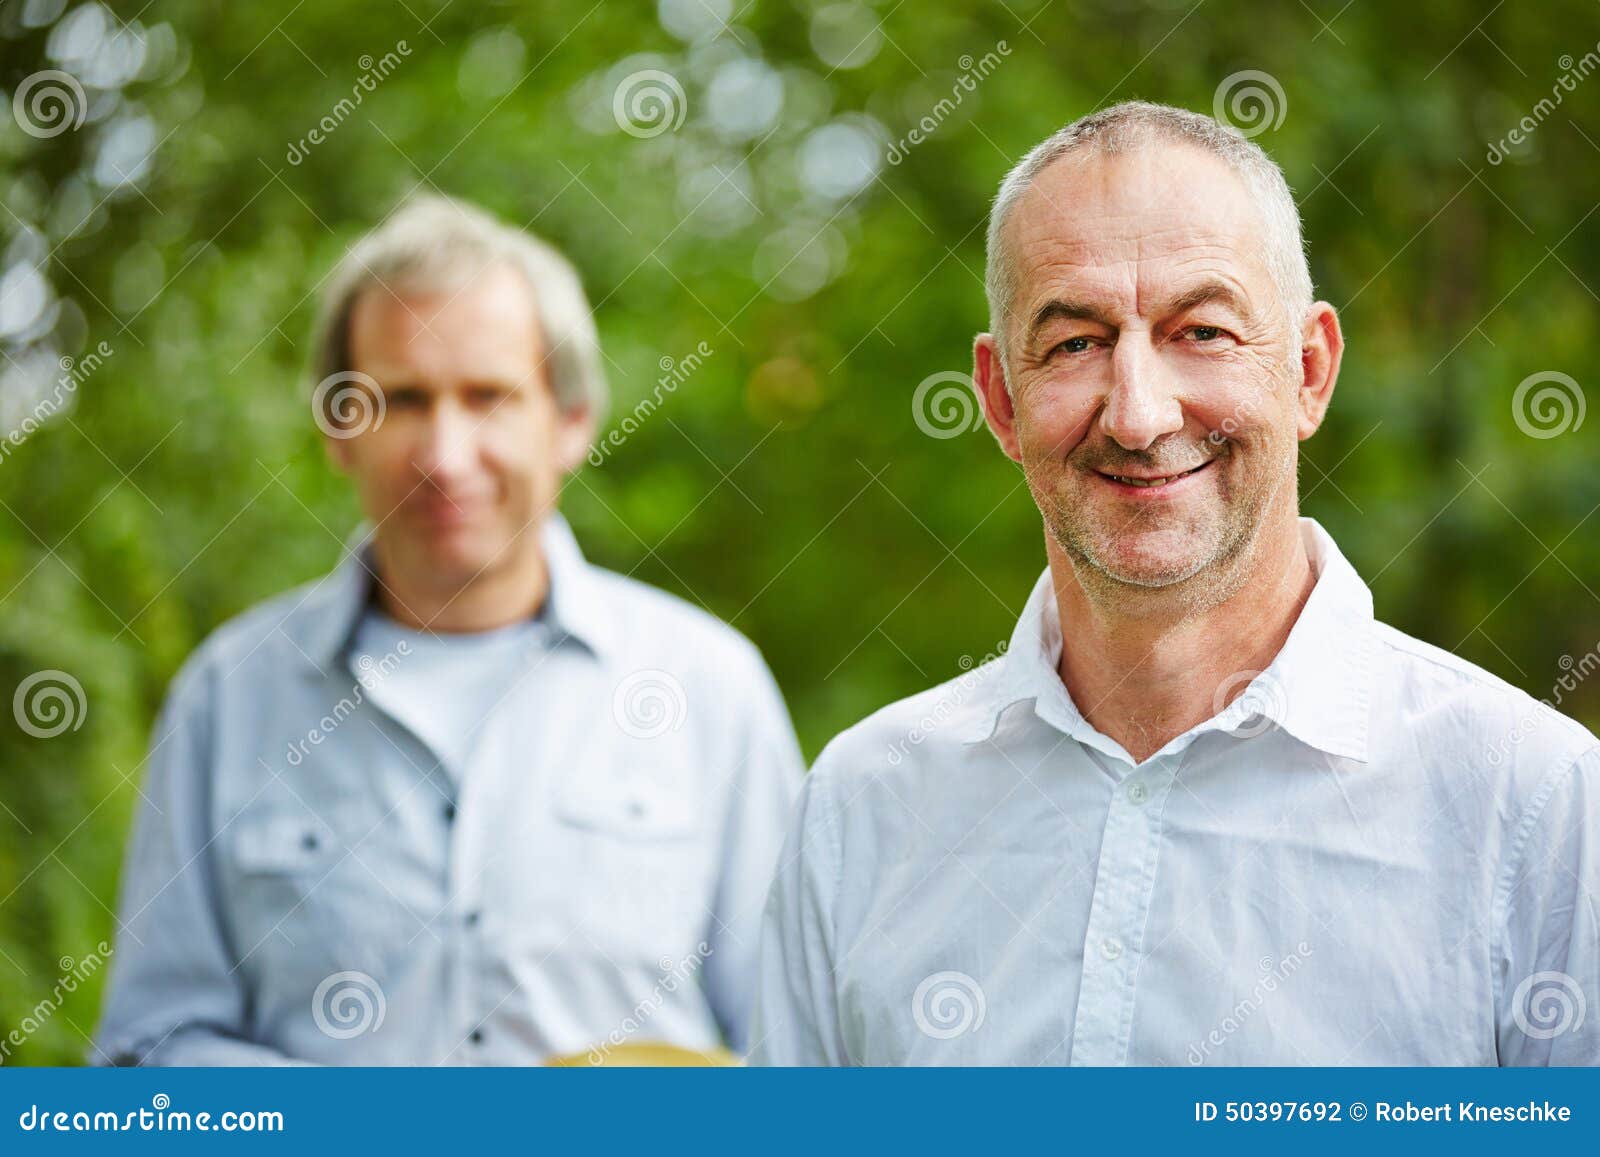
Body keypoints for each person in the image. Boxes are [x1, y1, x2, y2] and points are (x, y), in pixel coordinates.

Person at [750, 101, 1598, 1066]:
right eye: (1075, 342)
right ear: (998, 399)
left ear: (1310, 372)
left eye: (1202, 330)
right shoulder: (864, 808)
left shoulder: (1533, 807)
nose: (1140, 412)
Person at [95, 195, 803, 1065]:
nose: (446, 455)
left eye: (489, 395)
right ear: (339, 430)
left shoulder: (709, 687)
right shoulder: (229, 695)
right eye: (402, 399)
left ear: (571, 422)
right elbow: (148, 1049)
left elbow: (794, 1049)